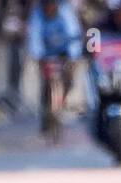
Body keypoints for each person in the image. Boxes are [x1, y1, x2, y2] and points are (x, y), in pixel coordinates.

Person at [27, 0, 82, 131]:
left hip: (64, 53)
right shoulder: (37, 15)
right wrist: (38, 56)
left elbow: (74, 34)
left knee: (68, 79)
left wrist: (73, 57)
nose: (49, 8)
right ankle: (46, 116)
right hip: (46, 54)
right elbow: (34, 37)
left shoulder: (66, 12)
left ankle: (62, 102)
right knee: (46, 83)